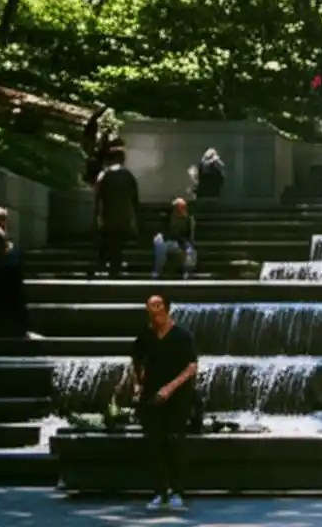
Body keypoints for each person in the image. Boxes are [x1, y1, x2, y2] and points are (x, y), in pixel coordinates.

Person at [132, 294, 198, 512]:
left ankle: (177, 491)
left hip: (177, 398)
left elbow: (191, 367)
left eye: (158, 306)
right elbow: (137, 362)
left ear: (167, 308)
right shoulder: (145, 335)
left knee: (175, 443)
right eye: (151, 306)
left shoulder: (182, 336)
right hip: (151, 398)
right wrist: (138, 385)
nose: (155, 310)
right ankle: (159, 492)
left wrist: (169, 388)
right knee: (155, 445)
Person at [95, 146, 139, 277]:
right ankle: (115, 268)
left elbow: (98, 197)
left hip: (108, 215)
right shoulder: (128, 175)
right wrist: (135, 219)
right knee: (117, 244)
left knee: (108, 241)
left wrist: (97, 215)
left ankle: (105, 266)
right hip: (123, 216)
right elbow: (135, 199)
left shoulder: (104, 174)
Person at [152, 199, 197, 279]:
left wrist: (184, 242)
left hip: (182, 242)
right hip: (168, 241)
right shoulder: (167, 218)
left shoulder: (189, 219)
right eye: (180, 207)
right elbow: (162, 231)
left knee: (190, 251)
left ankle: (187, 272)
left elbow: (190, 236)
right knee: (159, 242)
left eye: (184, 207)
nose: (182, 209)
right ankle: (158, 271)